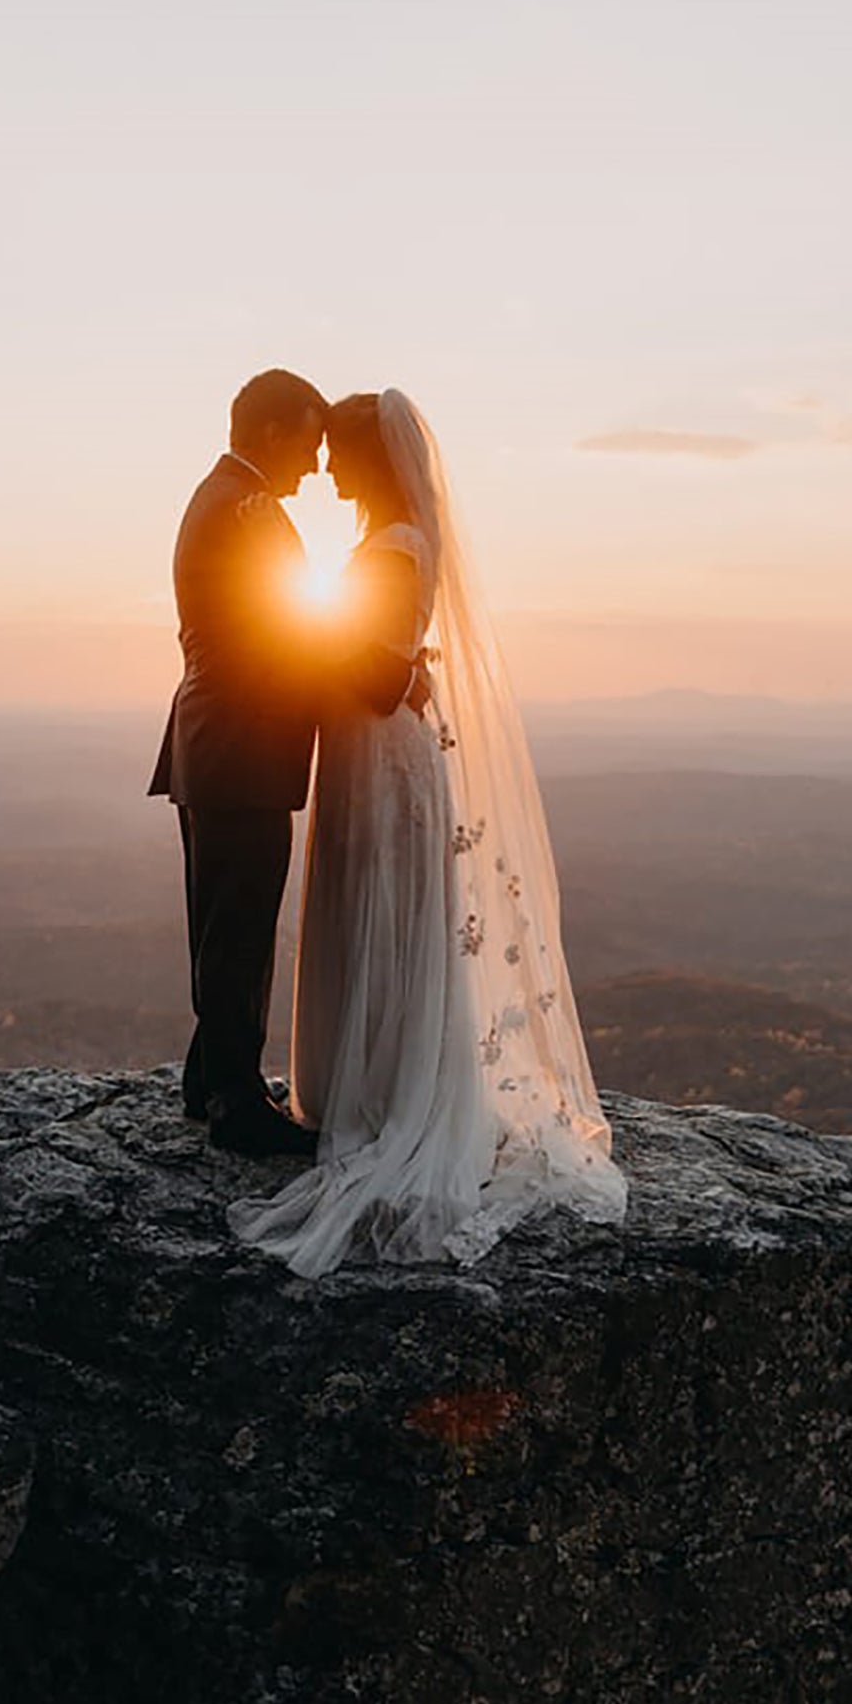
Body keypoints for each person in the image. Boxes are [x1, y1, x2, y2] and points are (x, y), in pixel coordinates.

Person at [230, 389, 628, 1274]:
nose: (327, 468)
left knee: (389, 913)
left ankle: (390, 1092)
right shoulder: (390, 543)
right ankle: (363, 1082)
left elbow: (373, 676)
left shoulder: (398, 547)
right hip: (364, 755)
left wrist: (283, 643)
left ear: (375, 460)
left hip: (383, 755)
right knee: (367, 906)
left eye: (340, 451)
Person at [150, 368, 341, 1158]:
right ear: (270, 432)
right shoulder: (247, 510)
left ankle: (210, 1073)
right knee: (240, 923)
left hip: (216, 742)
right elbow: (277, 639)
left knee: (222, 916)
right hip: (241, 742)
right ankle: (233, 1104)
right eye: (309, 440)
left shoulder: (222, 498)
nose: (318, 465)